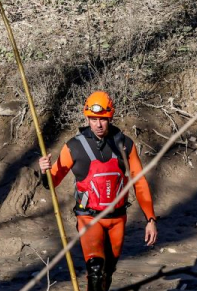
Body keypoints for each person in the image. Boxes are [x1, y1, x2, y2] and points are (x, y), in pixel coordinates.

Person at [37, 91, 158, 291]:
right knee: (95, 268)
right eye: (93, 119)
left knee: (107, 271)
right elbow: (52, 183)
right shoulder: (74, 146)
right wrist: (44, 171)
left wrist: (151, 219)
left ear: (110, 117)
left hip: (118, 218)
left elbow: (140, 182)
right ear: (87, 118)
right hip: (88, 217)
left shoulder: (125, 145)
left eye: (102, 119)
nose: (98, 124)